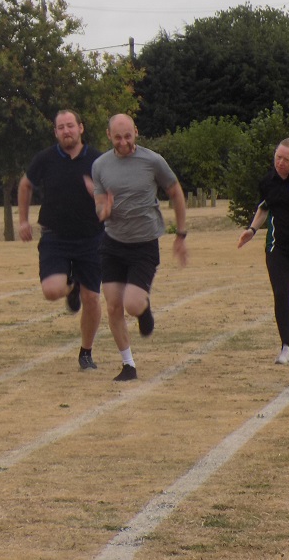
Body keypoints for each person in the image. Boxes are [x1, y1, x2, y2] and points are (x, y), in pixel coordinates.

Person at [91, 113, 188, 382]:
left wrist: (180, 234)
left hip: (144, 244)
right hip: (112, 243)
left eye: (128, 136)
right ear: (109, 135)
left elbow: (176, 193)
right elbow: (99, 208)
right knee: (112, 306)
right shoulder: (100, 166)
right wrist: (105, 210)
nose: (123, 143)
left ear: (136, 131)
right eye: (118, 137)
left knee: (132, 305)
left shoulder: (153, 161)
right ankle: (128, 365)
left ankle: (143, 310)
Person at [18, 110, 104, 371]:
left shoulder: (98, 160)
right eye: (61, 127)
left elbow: (113, 196)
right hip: (55, 236)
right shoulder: (45, 158)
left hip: (91, 237)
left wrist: (98, 194)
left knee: (92, 299)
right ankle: (71, 287)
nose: (66, 131)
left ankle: (86, 353)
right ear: (55, 132)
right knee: (52, 291)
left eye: (70, 126)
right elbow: (25, 186)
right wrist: (23, 220)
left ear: (81, 128)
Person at [237, 138, 289, 365]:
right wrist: (252, 230)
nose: (280, 162)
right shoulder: (268, 182)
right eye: (278, 157)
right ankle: (287, 347)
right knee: (281, 292)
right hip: (278, 248)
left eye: (286, 159)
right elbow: (265, 207)